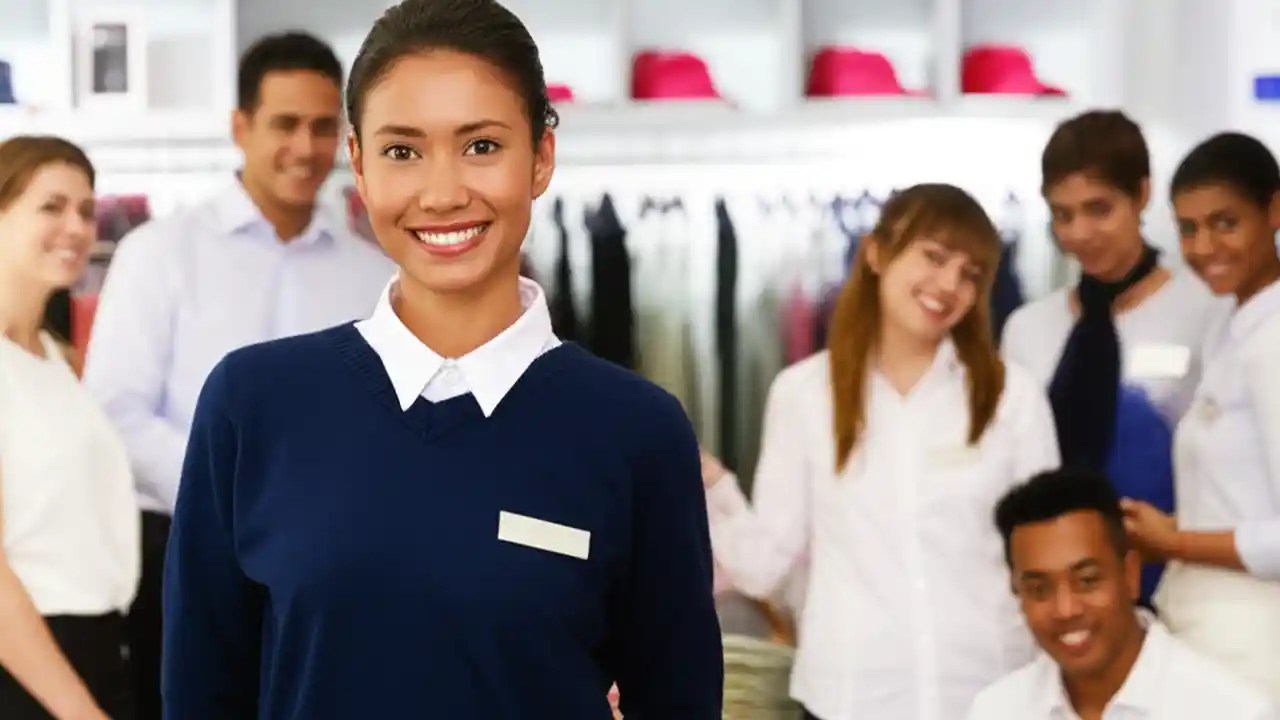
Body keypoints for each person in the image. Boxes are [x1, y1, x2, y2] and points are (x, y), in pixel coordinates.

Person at [161, 1, 724, 717]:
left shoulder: (637, 433)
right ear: (359, 167)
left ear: (542, 156)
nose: (443, 192)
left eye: (482, 146)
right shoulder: (252, 405)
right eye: (402, 151)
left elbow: (678, 702)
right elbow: (201, 695)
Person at [82, 31, 394, 720]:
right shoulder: (159, 252)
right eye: (285, 124)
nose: (305, 148)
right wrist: (234, 501)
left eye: (322, 127)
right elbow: (115, 409)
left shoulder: (374, 273)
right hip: (182, 559)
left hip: (333, 566)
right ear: (239, 127)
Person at [700, 182, 1061, 719]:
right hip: (850, 696)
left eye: (970, 273)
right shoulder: (803, 394)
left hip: (989, 693)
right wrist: (712, 484)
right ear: (876, 252)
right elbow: (765, 567)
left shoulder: (1012, 397)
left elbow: (1046, 552)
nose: (949, 285)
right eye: (934, 258)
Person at [1001, 110, 1222, 606]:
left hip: (1178, 589)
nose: (1080, 232)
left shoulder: (1207, 312)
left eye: (1098, 209)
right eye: (1063, 214)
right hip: (1058, 596)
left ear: (1141, 195)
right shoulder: (1027, 330)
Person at [1123, 131, 1280, 700]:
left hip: (1256, 644)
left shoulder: (1273, 338)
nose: (1204, 245)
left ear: (1275, 210)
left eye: (1225, 222)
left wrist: (1177, 542)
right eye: (1188, 228)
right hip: (1207, 631)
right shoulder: (1229, 326)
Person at [0, 136, 139, 719]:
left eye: (86, 209)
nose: (77, 227)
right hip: (31, 669)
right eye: (51, 207)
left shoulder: (55, 359)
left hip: (96, 649)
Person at [968, 468, 1277, 719]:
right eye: (1039, 590)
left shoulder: (1229, 710)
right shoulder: (996, 710)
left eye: (1087, 581)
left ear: (1130, 574)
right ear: (1016, 593)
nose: (1066, 609)